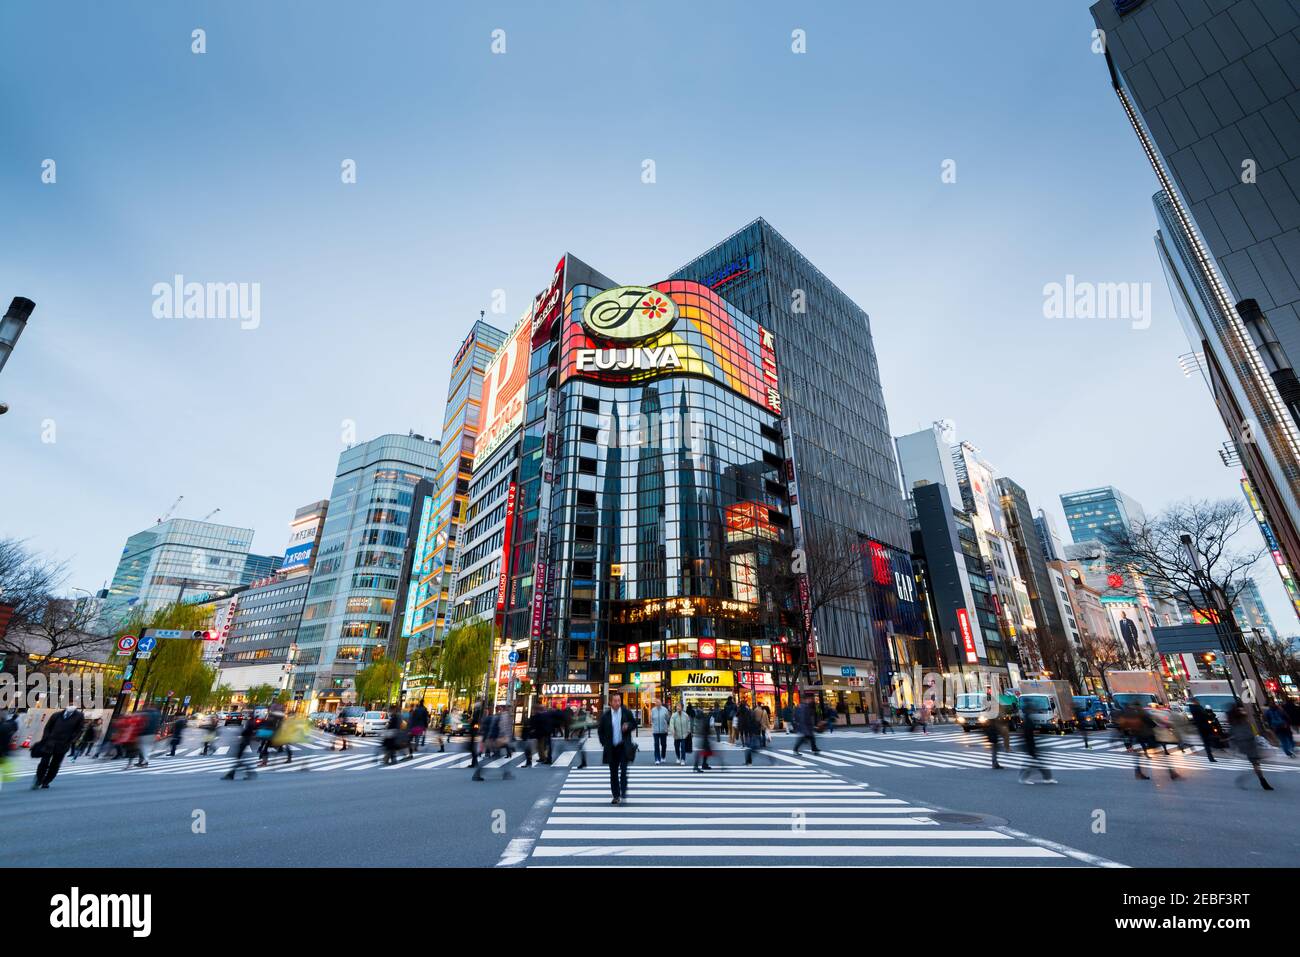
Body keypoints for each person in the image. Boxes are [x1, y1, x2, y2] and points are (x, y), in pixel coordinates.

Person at [32, 704, 85, 790]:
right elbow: (48, 727)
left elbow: (80, 730)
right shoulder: (56, 715)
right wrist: (46, 738)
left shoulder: (79, 716)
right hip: (50, 743)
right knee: (43, 763)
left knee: (55, 765)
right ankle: (39, 779)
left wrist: (72, 740)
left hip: (63, 744)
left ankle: (46, 781)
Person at [598, 692, 636, 803]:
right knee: (613, 772)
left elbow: (634, 724)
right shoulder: (605, 716)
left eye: (619, 700)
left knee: (623, 770)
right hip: (611, 748)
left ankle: (623, 790)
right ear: (610, 702)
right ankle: (616, 795)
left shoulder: (626, 712)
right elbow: (600, 731)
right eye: (615, 701)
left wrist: (628, 726)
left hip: (623, 746)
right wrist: (604, 743)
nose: (617, 703)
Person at [1228, 701, 1273, 790]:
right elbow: (1251, 732)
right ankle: (1261, 780)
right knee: (1256, 763)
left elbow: (1233, 734)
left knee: (1255, 763)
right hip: (1250, 744)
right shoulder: (1244, 722)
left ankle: (1261, 780)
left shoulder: (1233, 724)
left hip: (1244, 745)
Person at [1017, 715, 1056, 785]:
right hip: (1030, 747)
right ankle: (1046, 778)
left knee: (1035, 763)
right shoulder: (1028, 721)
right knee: (1036, 763)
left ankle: (1047, 778)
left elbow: (1027, 735)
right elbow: (1028, 736)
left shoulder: (1027, 720)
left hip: (1031, 746)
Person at [223, 715, 260, 780]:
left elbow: (246, 732)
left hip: (244, 741)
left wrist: (242, 733)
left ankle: (231, 774)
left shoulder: (250, 722)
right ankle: (232, 774)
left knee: (239, 760)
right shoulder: (252, 722)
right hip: (245, 741)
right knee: (239, 760)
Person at [650, 699, 670, 765]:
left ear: (661, 703)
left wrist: (666, 727)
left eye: (658, 702)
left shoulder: (665, 710)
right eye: (656, 702)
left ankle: (663, 756)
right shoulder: (653, 710)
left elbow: (667, 718)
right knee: (656, 745)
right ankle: (657, 759)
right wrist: (653, 724)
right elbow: (651, 719)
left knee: (663, 744)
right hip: (655, 731)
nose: (657, 703)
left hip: (663, 730)